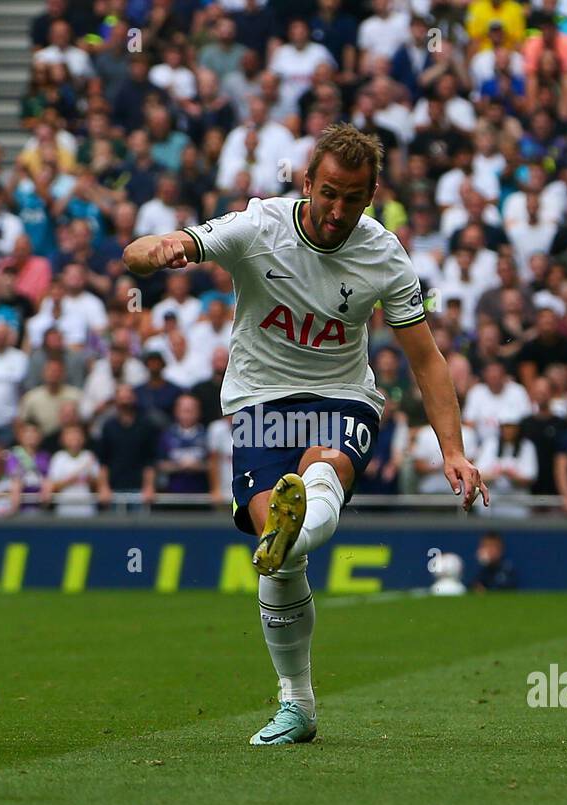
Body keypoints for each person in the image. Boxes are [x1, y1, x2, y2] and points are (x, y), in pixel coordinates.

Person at [124, 123, 486, 746]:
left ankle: (304, 506)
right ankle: (299, 704)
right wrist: (155, 250)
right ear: (308, 182)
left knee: (323, 469)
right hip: (260, 402)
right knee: (282, 555)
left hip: (342, 397)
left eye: (353, 198)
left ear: (371, 196)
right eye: (328, 194)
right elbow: (148, 249)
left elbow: (426, 359)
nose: (337, 210)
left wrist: (451, 448)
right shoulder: (256, 227)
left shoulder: (384, 254)